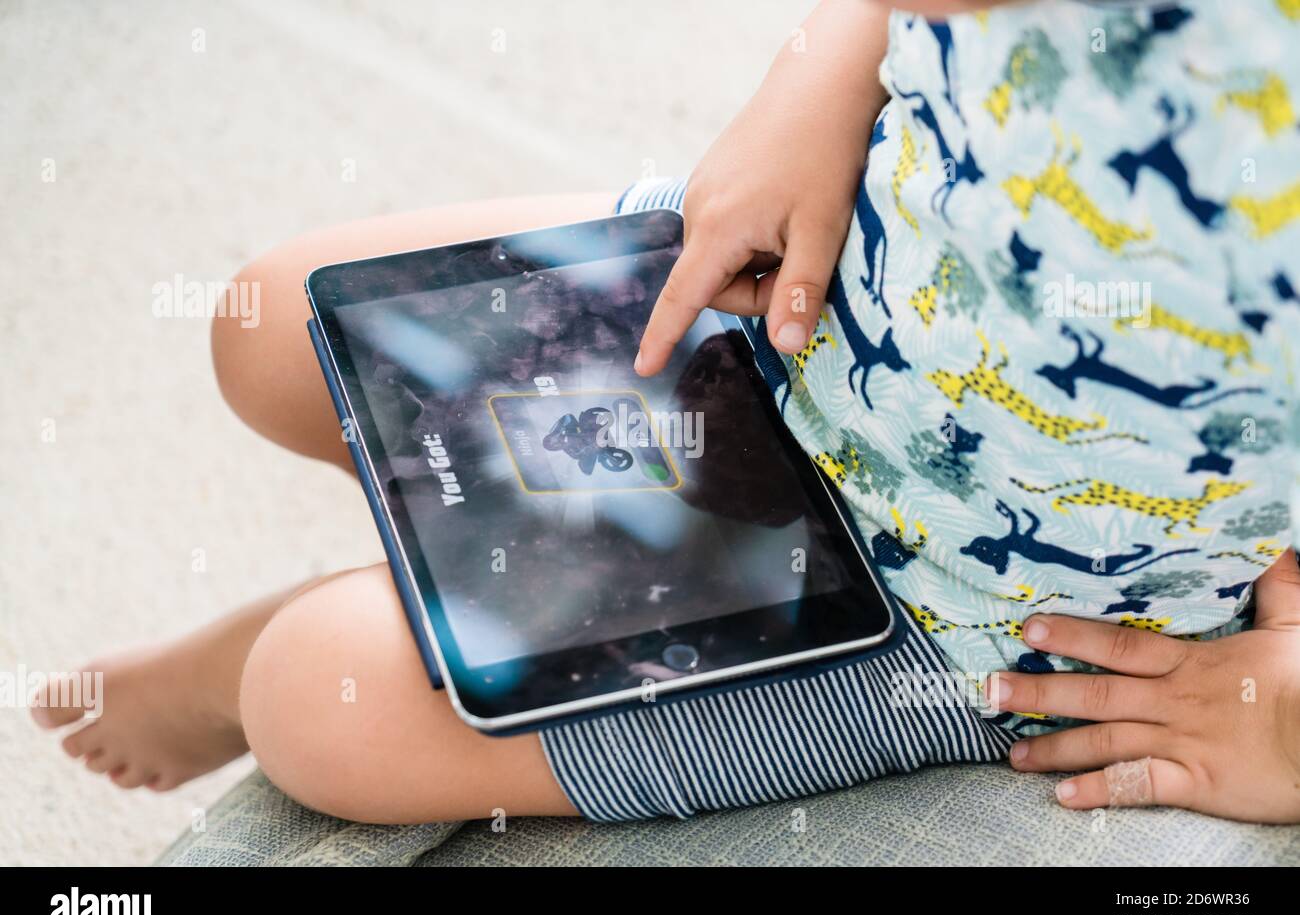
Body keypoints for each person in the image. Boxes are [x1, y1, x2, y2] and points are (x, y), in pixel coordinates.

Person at [34, 0, 1300, 823]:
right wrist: (817, 83)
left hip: (947, 631)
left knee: (313, 697)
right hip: (773, 298)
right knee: (264, 322)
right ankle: (428, 579)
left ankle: (259, 655)